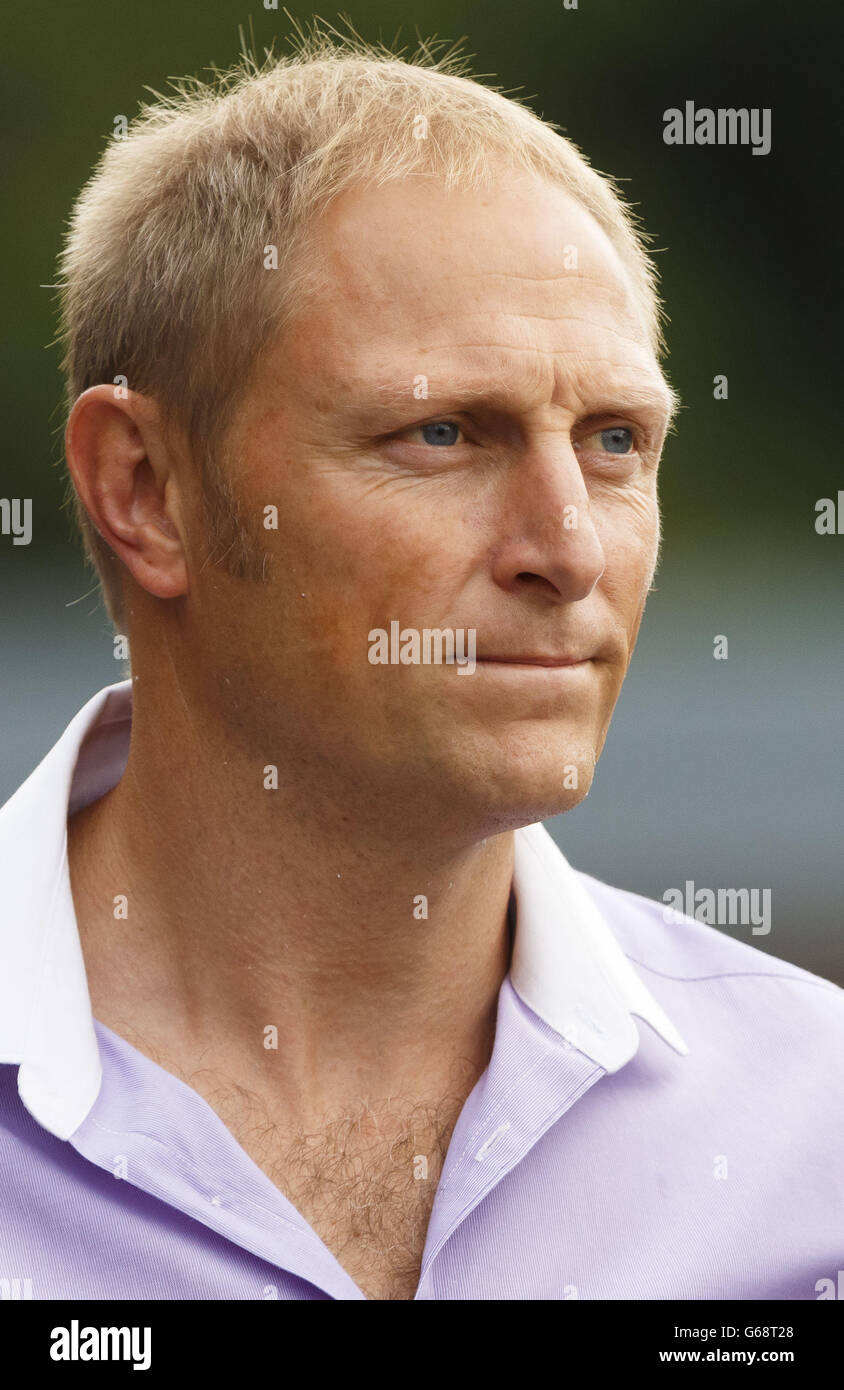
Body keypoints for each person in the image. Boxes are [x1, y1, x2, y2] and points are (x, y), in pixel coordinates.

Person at [1, 30, 841, 1302]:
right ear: (147, 490)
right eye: (444, 432)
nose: (566, 548)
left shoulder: (811, 1126)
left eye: (614, 441)